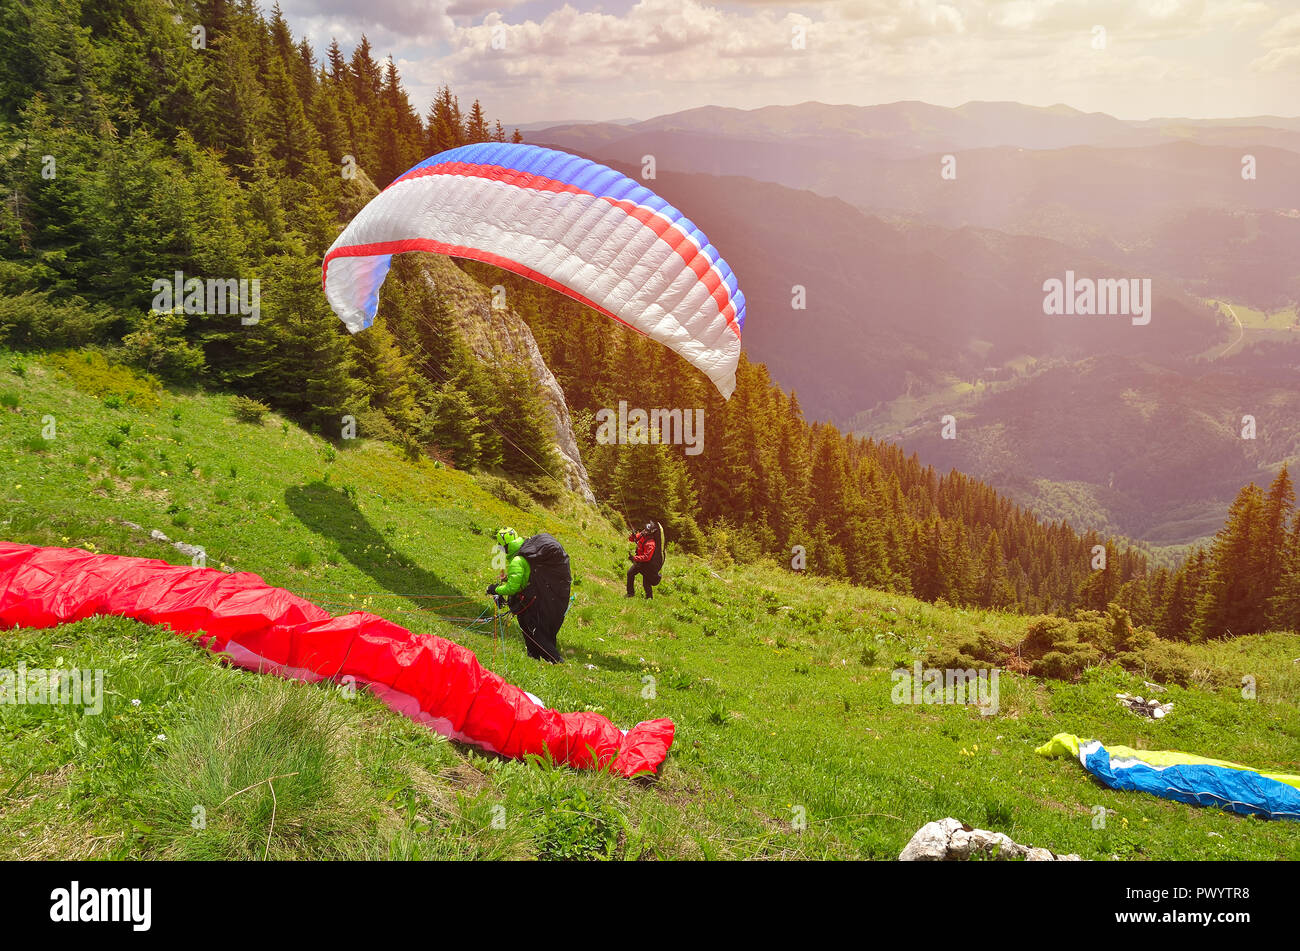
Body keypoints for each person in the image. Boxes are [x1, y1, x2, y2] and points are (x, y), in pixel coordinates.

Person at [487, 528, 568, 663]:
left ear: (506, 547)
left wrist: (494, 589)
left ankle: (557, 662)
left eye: (501, 548)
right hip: (538, 599)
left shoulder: (517, 560)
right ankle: (533, 659)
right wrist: (509, 578)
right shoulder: (526, 552)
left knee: (536, 634)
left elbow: (513, 588)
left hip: (532, 602)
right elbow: (525, 575)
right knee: (529, 630)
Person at [626, 521, 664, 599]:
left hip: (646, 565)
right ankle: (630, 593)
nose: (644, 531)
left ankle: (649, 599)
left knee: (646, 583)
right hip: (639, 562)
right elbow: (631, 539)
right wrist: (633, 535)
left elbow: (647, 557)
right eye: (645, 529)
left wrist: (634, 558)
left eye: (647, 531)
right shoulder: (642, 535)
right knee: (630, 573)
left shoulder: (651, 544)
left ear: (651, 533)